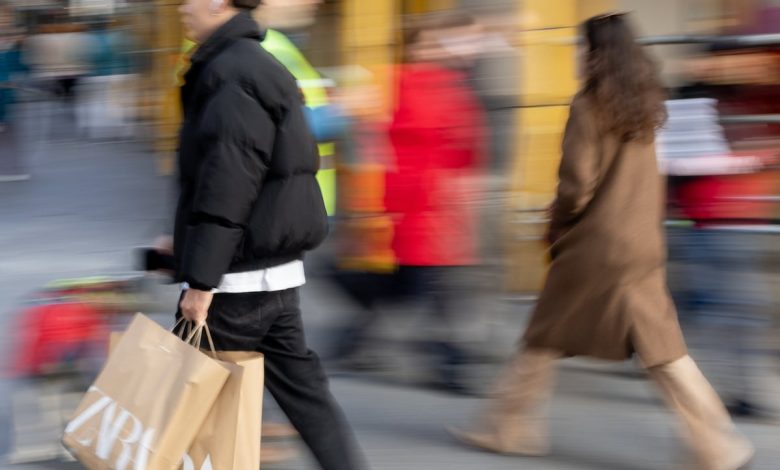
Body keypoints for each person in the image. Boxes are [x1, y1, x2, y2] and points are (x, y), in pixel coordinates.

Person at [452, 13, 754, 470]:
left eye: (579, 47)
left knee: (542, 336)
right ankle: (716, 444)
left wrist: (557, 226)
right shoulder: (646, 103)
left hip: (595, 246)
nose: (574, 54)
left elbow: (576, 184)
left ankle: (508, 428)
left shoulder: (588, 104)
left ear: (593, 54)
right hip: (642, 243)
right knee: (664, 351)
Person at [174, 1, 366, 469]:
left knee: (176, 402)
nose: (182, 7)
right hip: (275, 273)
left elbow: (229, 179)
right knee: (305, 395)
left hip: (234, 279)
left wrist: (201, 281)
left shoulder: (229, 70)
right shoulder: (257, 61)